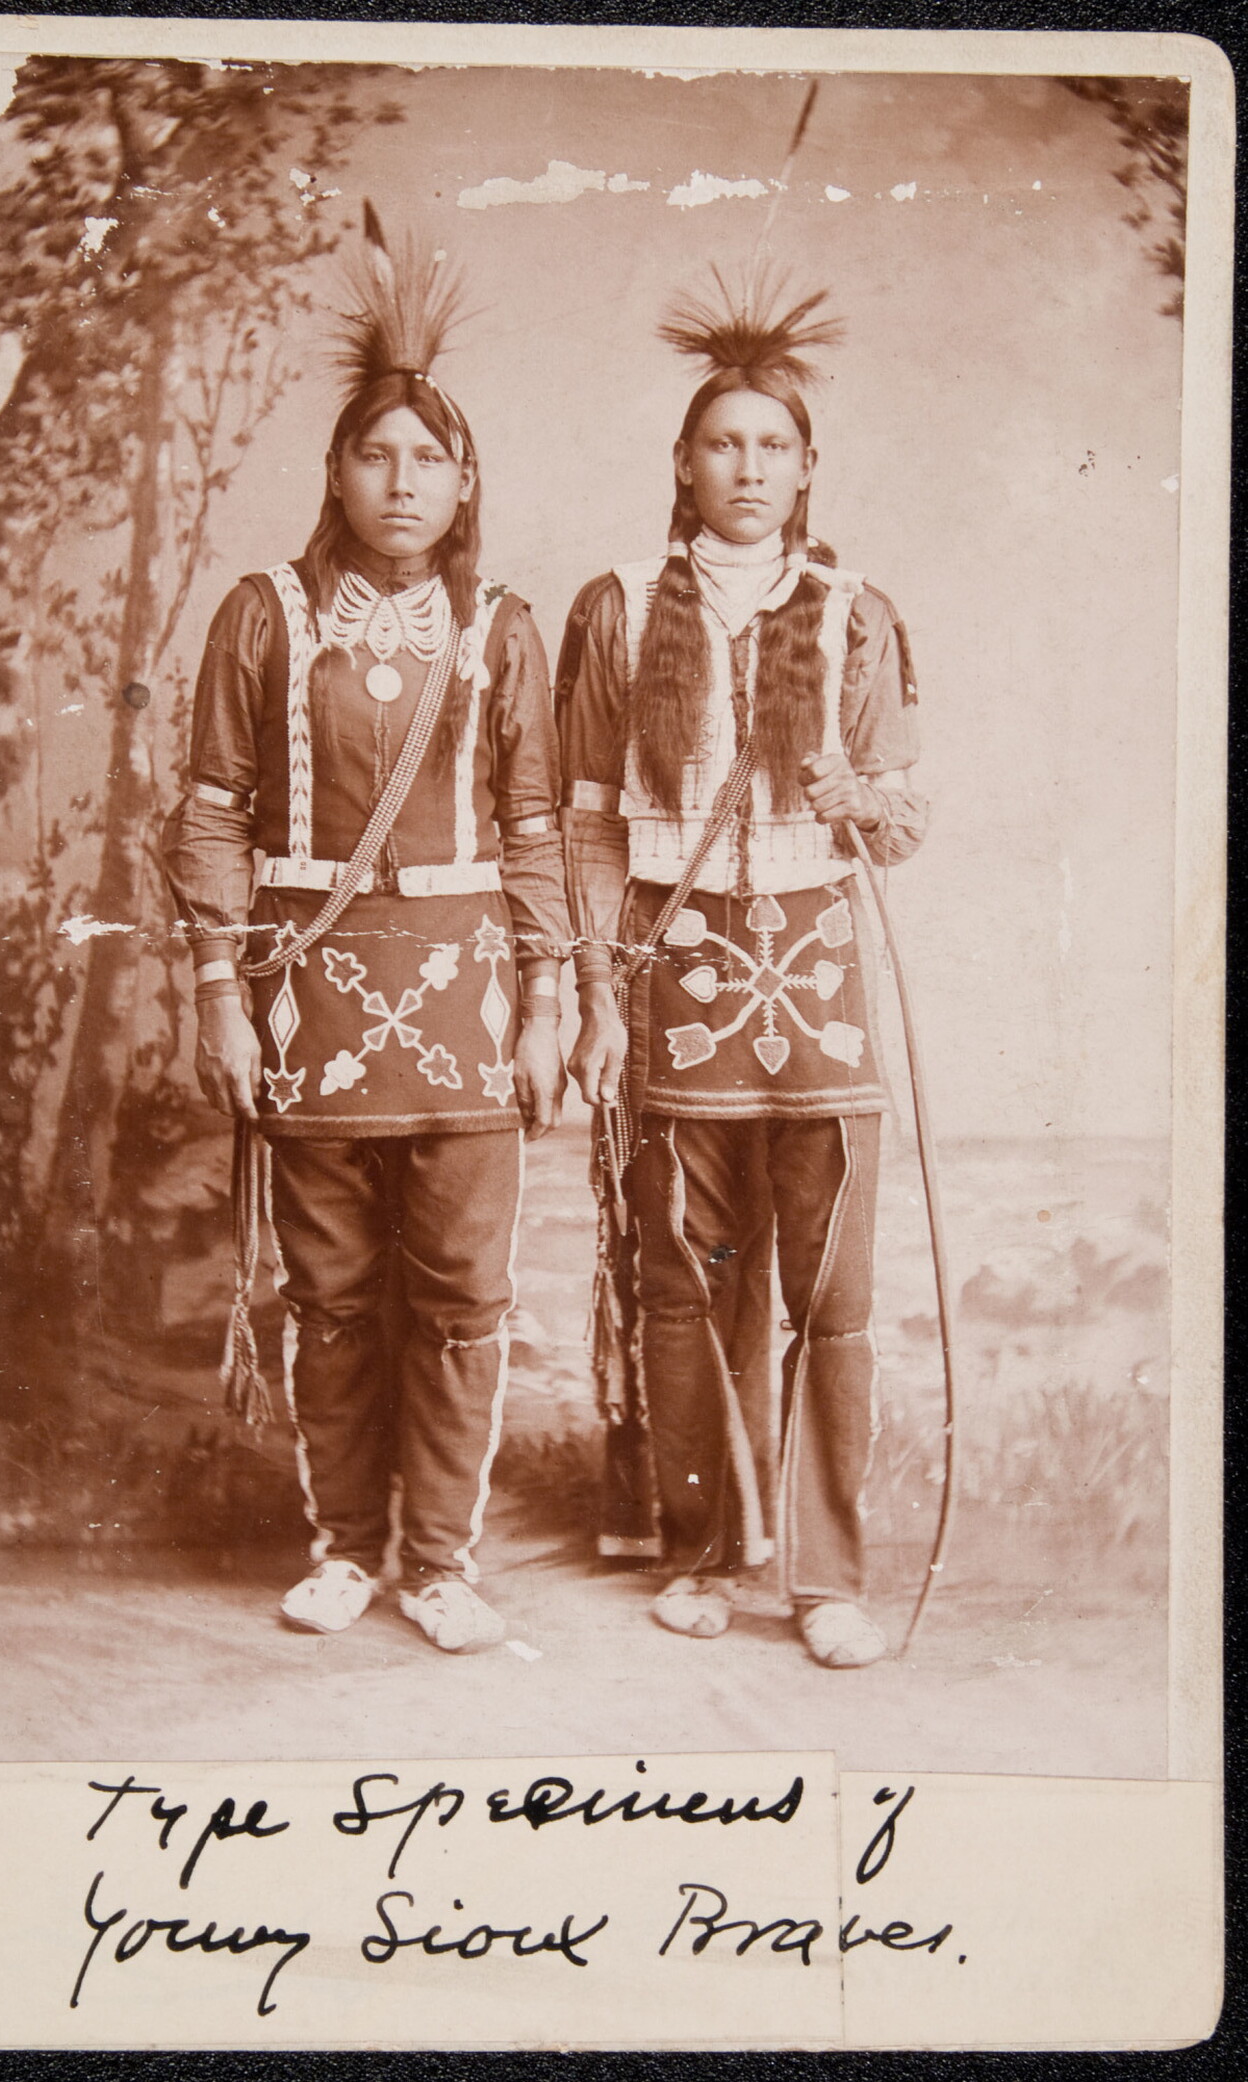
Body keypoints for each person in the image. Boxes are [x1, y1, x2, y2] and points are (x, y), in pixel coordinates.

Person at [163, 216, 572, 1653]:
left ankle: (442, 1561)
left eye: (430, 461)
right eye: (377, 458)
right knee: (329, 1286)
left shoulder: (502, 625)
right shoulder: (264, 614)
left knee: (461, 1288)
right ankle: (344, 1547)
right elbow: (210, 810)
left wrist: (550, 1003)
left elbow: (531, 826)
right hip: (307, 997)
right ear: (337, 472)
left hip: (465, 997)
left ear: (463, 484)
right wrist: (219, 991)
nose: (403, 485)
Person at [557, 269, 928, 1667]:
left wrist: (853, 793)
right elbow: (591, 820)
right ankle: (710, 1542)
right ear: (682, 463)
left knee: (831, 1294)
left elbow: (902, 824)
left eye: (775, 446)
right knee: (687, 1283)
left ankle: (826, 1575)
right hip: (679, 982)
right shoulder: (614, 610)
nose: (750, 467)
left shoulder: (856, 615)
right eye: (725, 443)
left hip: (821, 992)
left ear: (810, 468)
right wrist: (595, 990)